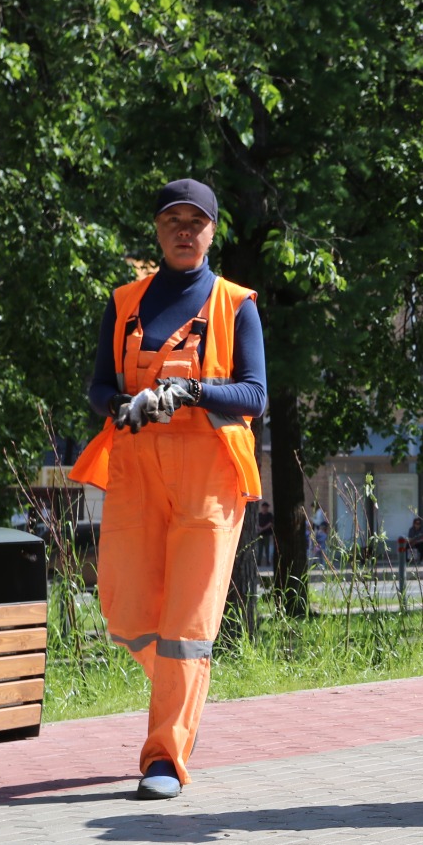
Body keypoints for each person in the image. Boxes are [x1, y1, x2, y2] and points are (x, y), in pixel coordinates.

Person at [69, 178, 267, 800]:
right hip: (135, 470)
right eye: (172, 220)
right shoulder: (125, 301)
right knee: (124, 610)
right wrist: (123, 403)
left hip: (210, 478)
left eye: (196, 221)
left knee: (186, 624)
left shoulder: (236, 304)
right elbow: (100, 385)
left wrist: (194, 390)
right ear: (157, 230)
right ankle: (183, 695)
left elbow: (256, 394)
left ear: (213, 231)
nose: (185, 230)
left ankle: (164, 756)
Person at [255, 500, 274, 566]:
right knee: (259, 549)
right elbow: (256, 522)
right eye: (264, 507)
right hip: (259, 534)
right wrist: (258, 528)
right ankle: (259, 562)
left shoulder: (269, 515)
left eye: (266, 507)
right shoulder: (259, 515)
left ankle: (268, 562)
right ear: (262, 507)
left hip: (267, 535)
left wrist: (262, 528)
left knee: (267, 549)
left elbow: (270, 524)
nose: (265, 508)